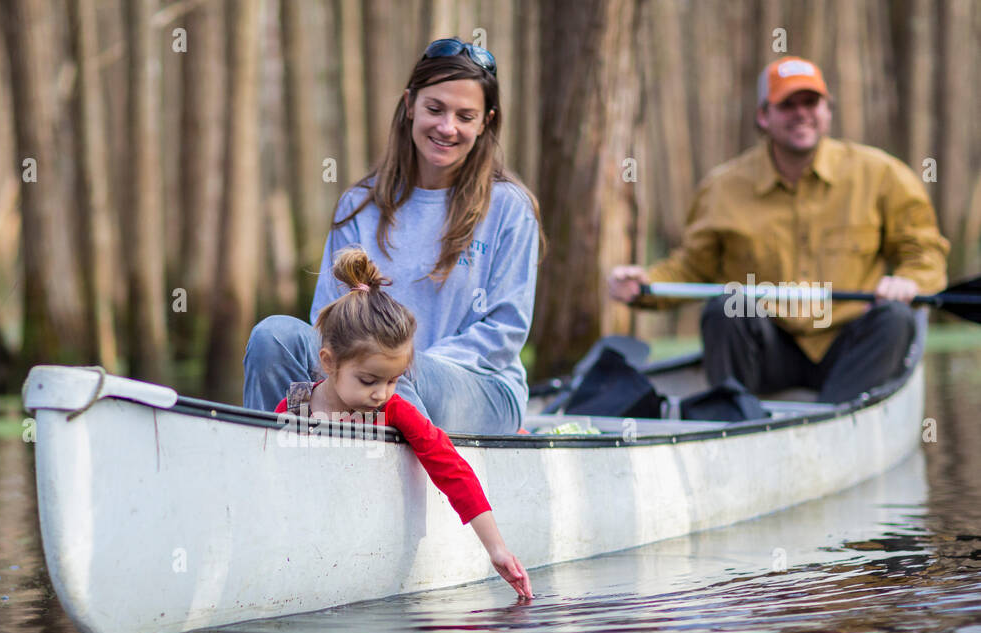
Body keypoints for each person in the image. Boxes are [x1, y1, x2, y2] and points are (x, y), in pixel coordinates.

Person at [245, 37, 546, 435]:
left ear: (486, 122)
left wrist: (395, 363)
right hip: (370, 374)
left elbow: (503, 332)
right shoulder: (359, 204)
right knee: (273, 337)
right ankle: (270, 463)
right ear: (409, 105)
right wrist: (370, 366)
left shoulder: (509, 207)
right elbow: (328, 321)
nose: (447, 127)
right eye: (435, 109)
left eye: (465, 115)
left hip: (483, 386)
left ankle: (391, 487)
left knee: (394, 375)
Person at [607, 56, 949, 403]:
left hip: (850, 346)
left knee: (895, 318)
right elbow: (692, 269)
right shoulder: (722, 188)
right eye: (787, 104)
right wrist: (644, 286)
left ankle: (836, 419)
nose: (801, 113)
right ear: (763, 115)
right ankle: (734, 415)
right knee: (725, 306)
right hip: (770, 349)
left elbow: (923, 251)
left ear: (827, 111)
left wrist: (910, 281)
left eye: (811, 102)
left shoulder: (883, 175)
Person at [274, 247, 533, 600]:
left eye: (394, 381)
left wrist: (497, 548)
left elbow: (451, 468)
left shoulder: (393, 411)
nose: (382, 393)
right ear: (329, 362)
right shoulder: (294, 406)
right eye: (369, 381)